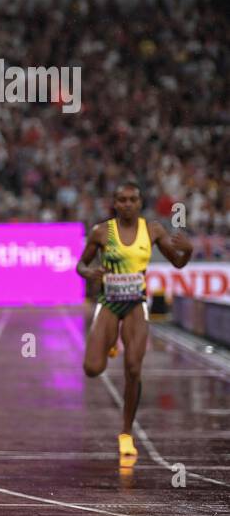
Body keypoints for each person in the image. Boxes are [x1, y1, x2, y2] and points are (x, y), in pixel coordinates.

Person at [77, 180, 193, 461]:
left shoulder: (151, 229)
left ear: (140, 203)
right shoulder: (101, 232)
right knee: (92, 368)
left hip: (135, 305)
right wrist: (88, 272)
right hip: (108, 303)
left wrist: (187, 250)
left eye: (132, 199)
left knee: (133, 368)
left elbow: (177, 263)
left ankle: (126, 433)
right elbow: (80, 264)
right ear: (114, 203)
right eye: (122, 200)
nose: (127, 204)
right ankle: (109, 344)